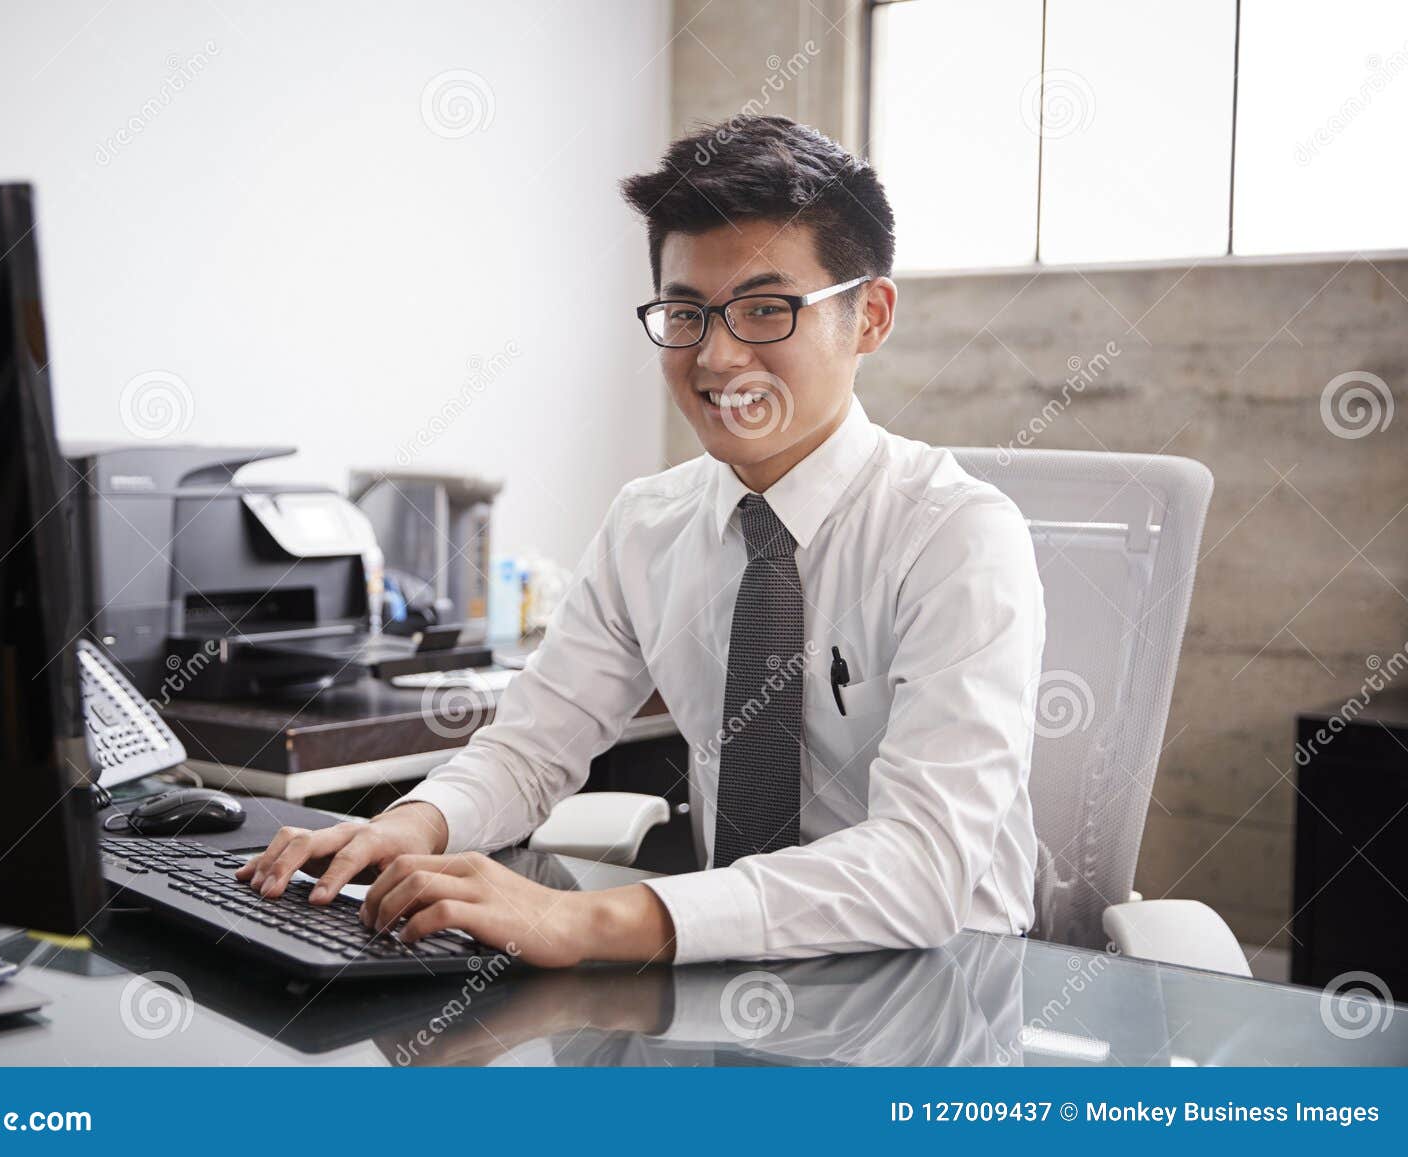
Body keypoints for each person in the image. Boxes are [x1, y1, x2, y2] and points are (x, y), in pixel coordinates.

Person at [238, 115, 1045, 967]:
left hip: (943, 987)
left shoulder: (958, 537)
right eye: (686, 313)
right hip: (727, 976)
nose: (719, 356)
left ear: (870, 315)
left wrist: (583, 920)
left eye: (766, 310)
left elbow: (923, 867)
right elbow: (530, 748)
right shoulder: (647, 523)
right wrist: (406, 827)